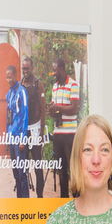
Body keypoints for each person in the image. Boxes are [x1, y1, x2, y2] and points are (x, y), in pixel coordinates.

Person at [47, 58, 80, 199]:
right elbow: (55, 108)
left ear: (61, 69)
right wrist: (51, 110)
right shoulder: (55, 87)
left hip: (70, 135)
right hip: (58, 134)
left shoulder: (73, 85)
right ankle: (64, 202)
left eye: (55, 71)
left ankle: (78, 201)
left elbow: (74, 109)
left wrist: (58, 107)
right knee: (61, 171)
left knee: (73, 171)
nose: (53, 73)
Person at [21, 56, 45, 197]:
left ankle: (40, 196)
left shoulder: (38, 84)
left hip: (35, 128)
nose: (25, 71)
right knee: (24, 165)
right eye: (23, 68)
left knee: (37, 165)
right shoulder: (20, 84)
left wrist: (41, 131)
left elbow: (42, 108)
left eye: (27, 68)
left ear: (32, 68)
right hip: (24, 130)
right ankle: (25, 197)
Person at [5, 64, 30, 198]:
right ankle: (19, 203)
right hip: (11, 139)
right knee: (15, 173)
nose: (8, 80)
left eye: (10, 77)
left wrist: (23, 138)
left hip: (19, 139)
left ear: (16, 76)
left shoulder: (22, 92)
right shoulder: (9, 94)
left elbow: (25, 116)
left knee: (22, 174)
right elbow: (8, 118)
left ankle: (25, 204)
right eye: (6, 77)